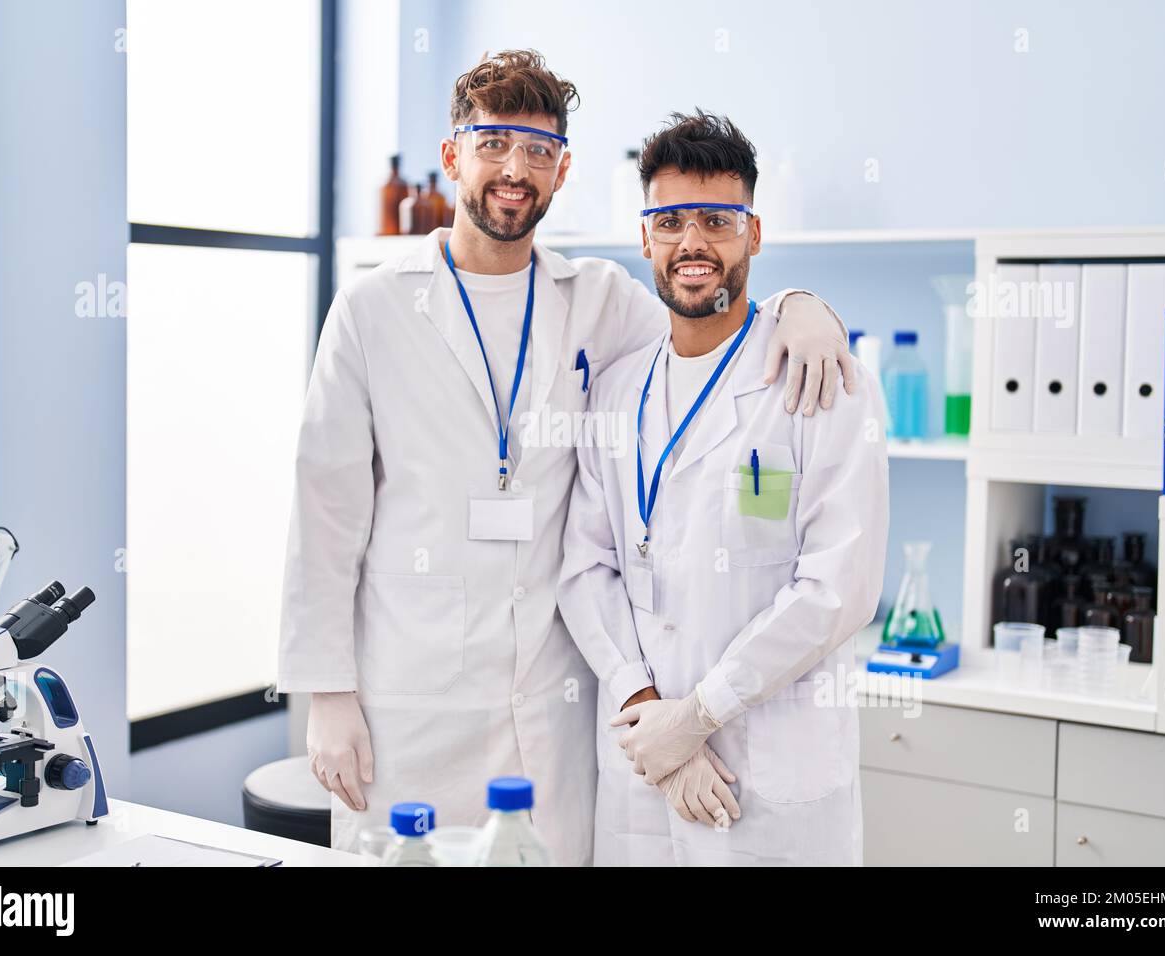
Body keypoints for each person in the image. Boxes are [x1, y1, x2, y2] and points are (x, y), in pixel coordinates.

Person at [276, 51, 855, 866]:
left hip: (554, 706)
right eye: (494, 145)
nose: (515, 171)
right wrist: (326, 694)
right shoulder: (372, 308)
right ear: (453, 156)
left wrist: (802, 304)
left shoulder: (601, 299)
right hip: (411, 702)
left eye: (539, 152)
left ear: (562, 171)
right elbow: (324, 511)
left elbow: (709, 310)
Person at [558, 111, 889, 866]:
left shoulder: (820, 379)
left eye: (717, 219)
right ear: (645, 238)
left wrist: (701, 715)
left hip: (770, 776)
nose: (693, 243)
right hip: (645, 768)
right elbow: (586, 567)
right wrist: (653, 718)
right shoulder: (616, 393)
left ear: (754, 234)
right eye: (670, 221)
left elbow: (838, 588)